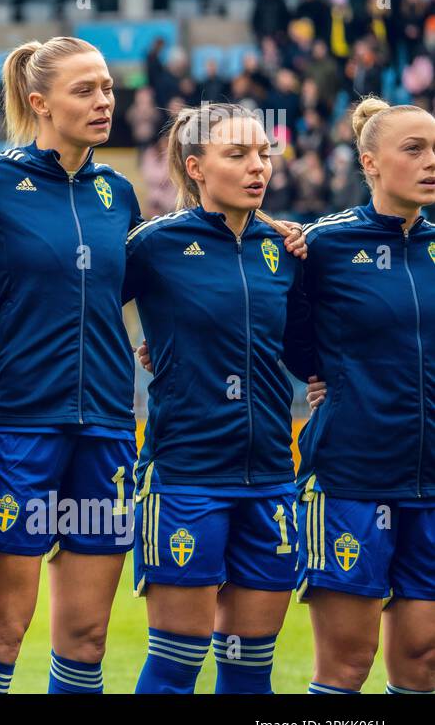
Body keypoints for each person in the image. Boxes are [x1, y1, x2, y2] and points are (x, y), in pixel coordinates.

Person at [0, 37, 143, 695]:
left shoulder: (118, 193)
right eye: (85, 89)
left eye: (108, 87)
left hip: (109, 428)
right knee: (3, 626)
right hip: (19, 428)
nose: (103, 100)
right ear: (39, 102)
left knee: (87, 637)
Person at [126, 103, 314, 694]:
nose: (258, 166)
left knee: (250, 670)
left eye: (263, 153)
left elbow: (311, 349)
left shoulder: (286, 249)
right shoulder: (153, 246)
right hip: (185, 478)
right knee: (175, 666)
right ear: (196, 167)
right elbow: (79, 308)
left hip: (271, 480)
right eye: (237, 155)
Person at [295, 97, 435, 695]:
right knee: (348, 667)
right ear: (369, 162)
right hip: (352, 480)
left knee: (424, 660)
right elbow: (267, 326)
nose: (431, 161)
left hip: (431, 486)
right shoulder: (321, 247)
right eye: (415, 149)